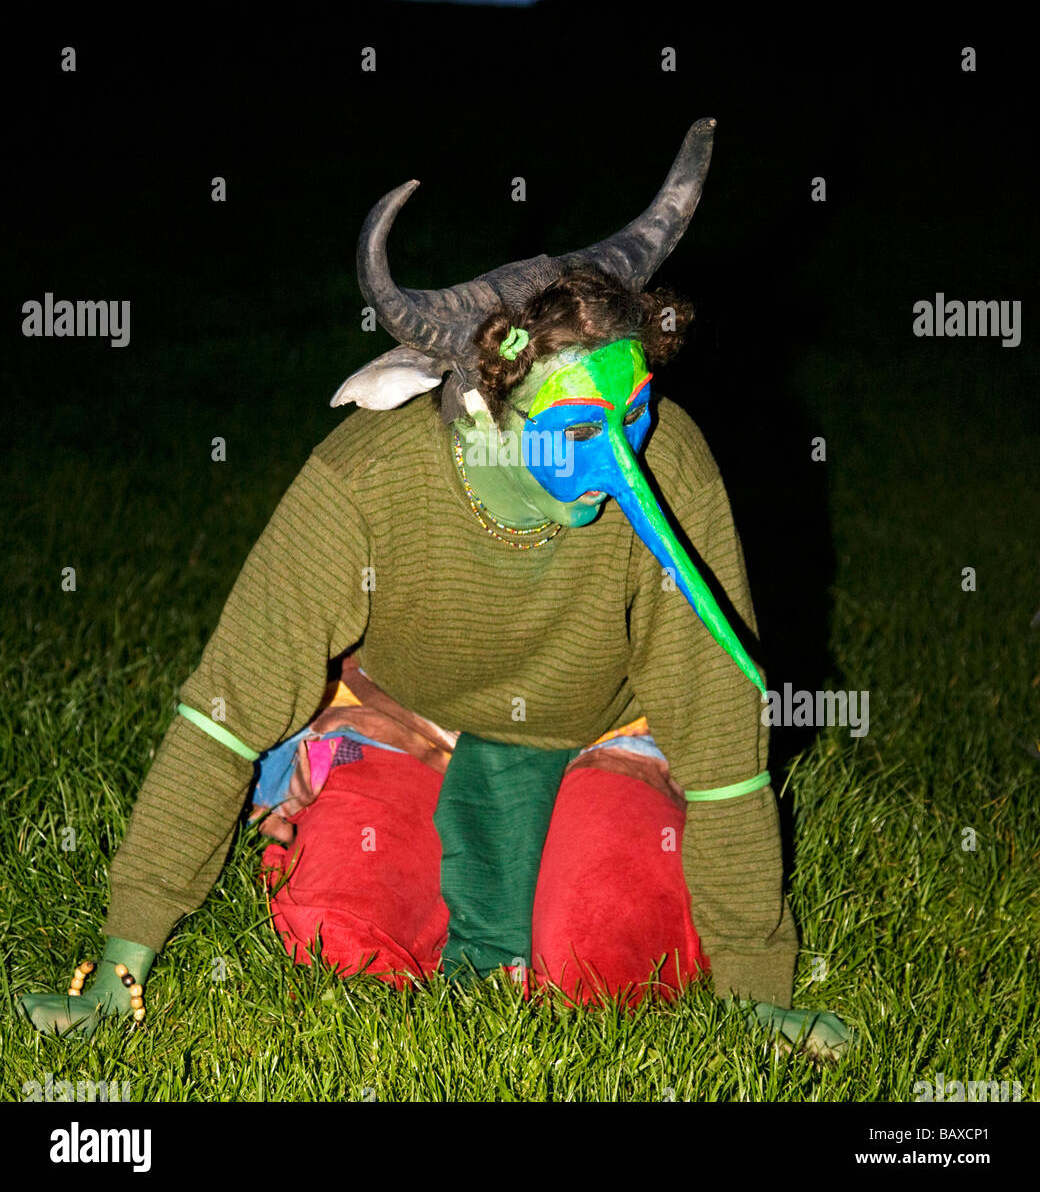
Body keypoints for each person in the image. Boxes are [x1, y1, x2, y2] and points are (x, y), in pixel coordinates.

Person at [19, 119, 853, 1059]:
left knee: (608, 960)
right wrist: (121, 960)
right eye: (580, 431)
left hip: (606, 732)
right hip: (408, 721)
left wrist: (755, 989)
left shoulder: (671, 466)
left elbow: (723, 742)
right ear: (479, 416)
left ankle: (591, 847)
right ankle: (345, 810)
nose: (624, 454)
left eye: (635, 409)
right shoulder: (363, 478)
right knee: (346, 932)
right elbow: (224, 714)